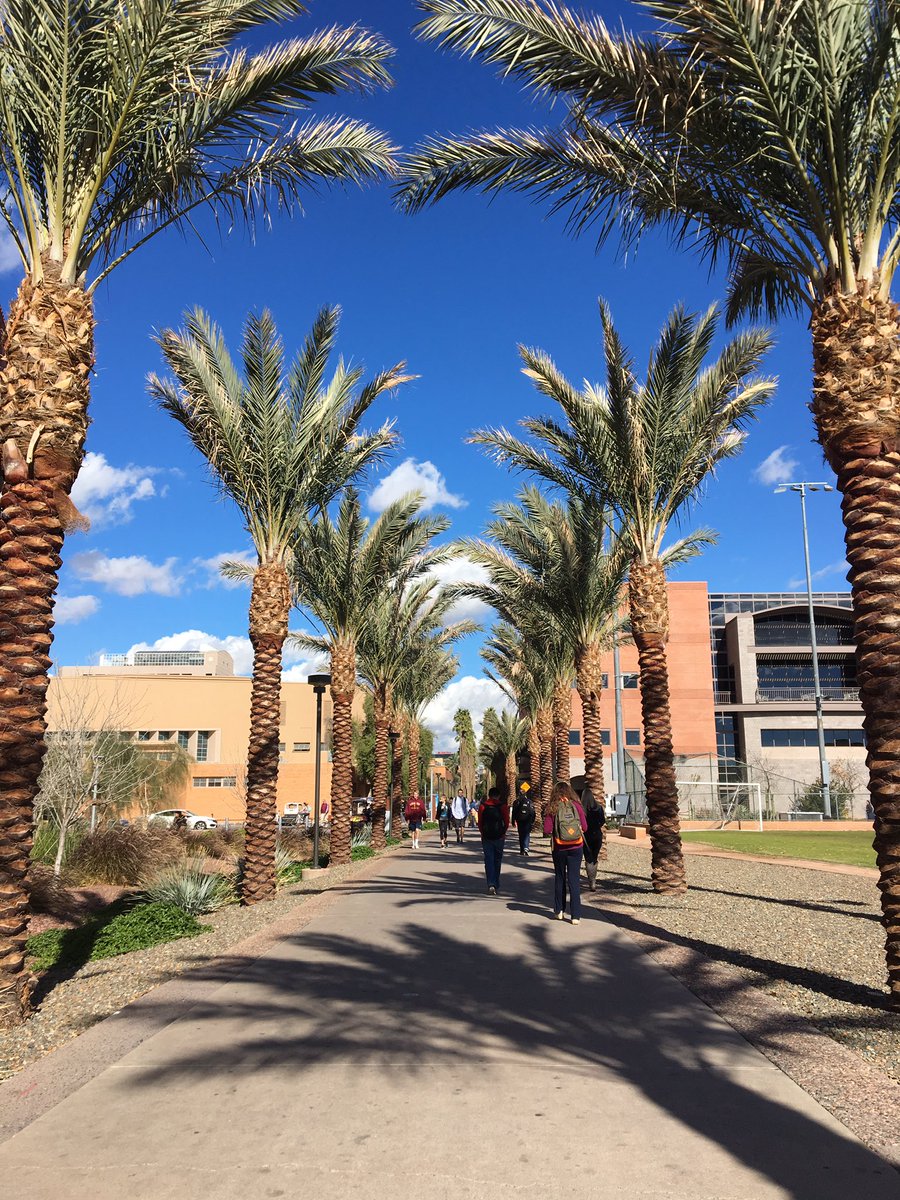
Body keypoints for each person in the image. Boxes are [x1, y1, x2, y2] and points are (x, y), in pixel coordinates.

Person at [543, 781, 587, 924]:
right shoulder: (577, 806)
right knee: (574, 880)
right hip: (576, 847)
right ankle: (575, 916)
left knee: (560, 878)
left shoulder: (552, 807)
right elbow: (585, 827)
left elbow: (547, 830)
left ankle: (559, 911)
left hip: (559, 848)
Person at [477, 785, 509, 895]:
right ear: (498, 796)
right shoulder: (502, 806)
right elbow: (506, 822)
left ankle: (491, 884)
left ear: (489, 795)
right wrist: (503, 833)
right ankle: (496, 883)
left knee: (488, 860)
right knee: (497, 860)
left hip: (486, 837)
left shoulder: (483, 806)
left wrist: (483, 833)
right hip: (499, 837)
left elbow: (480, 822)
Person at [580, 784, 606, 891]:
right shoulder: (598, 807)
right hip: (597, 835)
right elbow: (602, 821)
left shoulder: (581, 809)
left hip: (585, 836)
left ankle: (591, 880)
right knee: (594, 858)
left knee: (588, 858)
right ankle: (593, 879)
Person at [511, 785, 536, 856]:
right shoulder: (529, 802)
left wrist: (513, 821)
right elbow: (532, 812)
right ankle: (526, 848)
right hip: (528, 820)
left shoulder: (516, 802)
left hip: (519, 820)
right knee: (527, 834)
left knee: (521, 834)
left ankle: (522, 849)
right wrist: (533, 820)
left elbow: (514, 812)